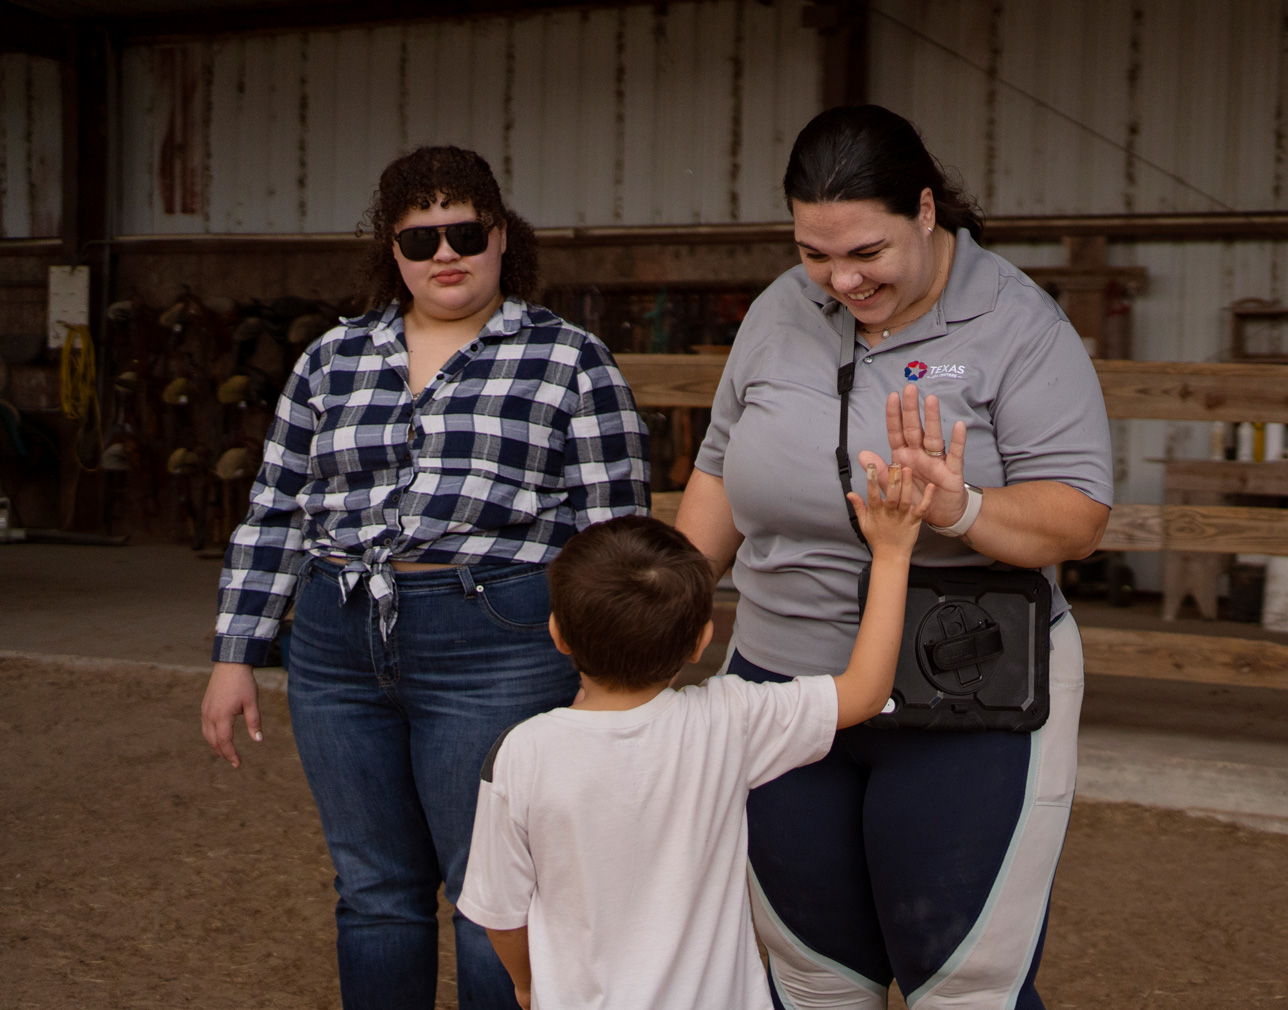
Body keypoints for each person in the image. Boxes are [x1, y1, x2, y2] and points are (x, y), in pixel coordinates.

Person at [675, 105, 1113, 1009]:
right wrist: (663, 616)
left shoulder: (1018, 322)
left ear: (924, 209)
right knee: (811, 978)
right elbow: (718, 468)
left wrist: (964, 508)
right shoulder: (779, 309)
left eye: (866, 253)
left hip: (964, 692)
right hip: (784, 689)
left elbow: (1076, 518)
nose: (841, 280)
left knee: (962, 984)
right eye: (814, 253)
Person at [200, 145, 649, 1010]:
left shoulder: (570, 359)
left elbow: (614, 536)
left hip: (498, 643)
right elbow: (277, 508)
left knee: (492, 892)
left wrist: (611, 676)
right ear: (393, 251)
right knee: (372, 890)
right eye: (420, 239)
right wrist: (234, 655)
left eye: (465, 233)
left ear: (502, 237)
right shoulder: (331, 357)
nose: (445, 254)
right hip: (334, 641)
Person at [459, 466, 932, 1010]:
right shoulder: (727, 720)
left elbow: (500, 914)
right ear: (701, 641)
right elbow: (866, 693)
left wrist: (527, 984)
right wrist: (892, 553)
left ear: (557, 632)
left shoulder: (522, 754)